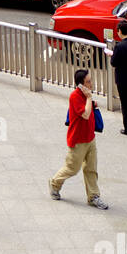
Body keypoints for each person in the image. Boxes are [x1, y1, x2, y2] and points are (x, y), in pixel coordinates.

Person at [49, 68, 108, 208]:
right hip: (78, 141)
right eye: (88, 82)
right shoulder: (75, 96)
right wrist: (89, 98)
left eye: (90, 80)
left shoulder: (86, 95)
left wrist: (91, 101)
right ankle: (54, 183)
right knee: (72, 168)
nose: (91, 84)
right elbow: (86, 114)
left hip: (90, 139)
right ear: (80, 84)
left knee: (91, 169)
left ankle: (94, 197)